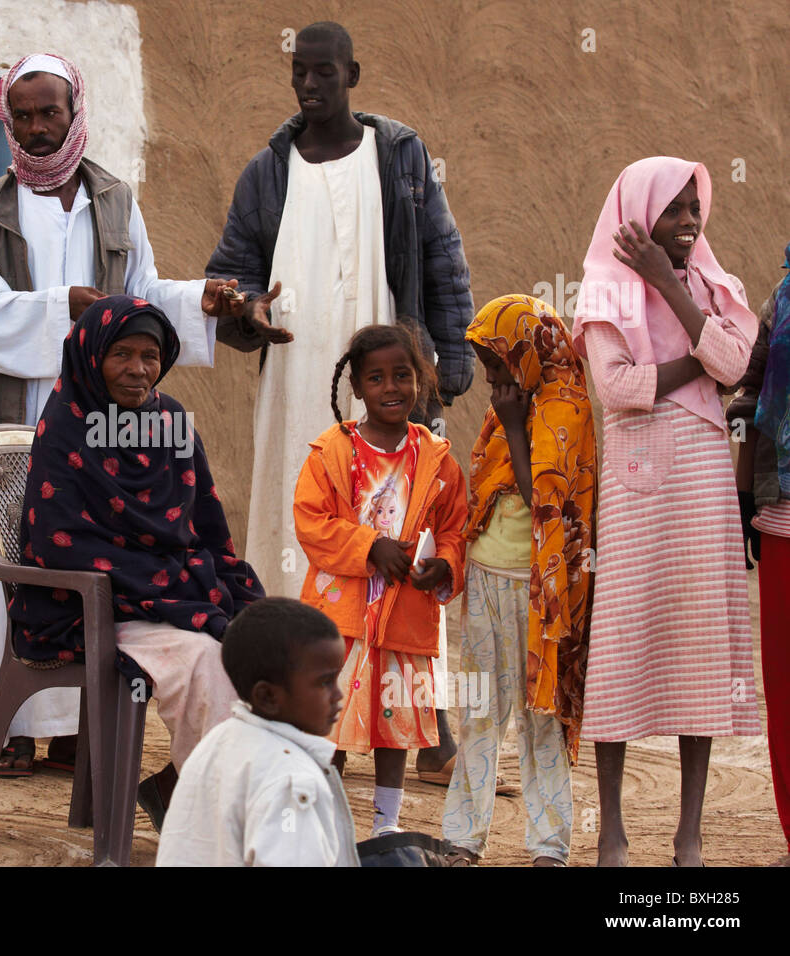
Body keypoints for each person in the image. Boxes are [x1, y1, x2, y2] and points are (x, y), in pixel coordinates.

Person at [0, 53, 246, 775]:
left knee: (98, 554)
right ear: (7, 121)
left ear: (76, 113)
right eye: (24, 115)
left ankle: (82, 725)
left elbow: (139, 293)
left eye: (52, 112)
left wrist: (197, 299)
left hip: (97, 417)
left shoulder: (115, 200)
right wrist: (65, 311)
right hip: (17, 401)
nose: (39, 127)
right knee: (17, 559)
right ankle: (12, 724)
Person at [205, 21, 472, 780]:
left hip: (387, 383)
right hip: (296, 387)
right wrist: (246, 313)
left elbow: (442, 259)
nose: (309, 85)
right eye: (299, 73)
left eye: (323, 72)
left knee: (406, 542)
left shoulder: (399, 155)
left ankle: (423, 730)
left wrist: (442, 372)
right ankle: (308, 721)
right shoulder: (267, 171)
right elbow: (231, 276)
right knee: (313, 543)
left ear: (353, 71)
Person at [9, 295, 263, 825]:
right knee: (205, 662)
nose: (138, 369)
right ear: (91, 354)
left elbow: (204, 522)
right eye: (121, 353)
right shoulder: (66, 425)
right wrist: (165, 585)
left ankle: (186, 794)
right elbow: (59, 543)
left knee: (275, 645)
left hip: (169, 593)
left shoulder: (169, 420)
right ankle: (214, 830)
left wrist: (201, 584)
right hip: (88, 608)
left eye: (150, 355)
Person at [571, 157, 760, 867]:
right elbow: (619, 389)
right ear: (639, 212)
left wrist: (671, 290)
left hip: (705, 481)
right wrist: (704, 360)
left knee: (699, 646)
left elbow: (737, 365)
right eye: (674, 208)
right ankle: (612, 831)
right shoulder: (602, 289)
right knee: (625, 641)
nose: (688, 221)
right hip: (638, 483)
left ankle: (689, 834)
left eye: (694, 207)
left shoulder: (717, 285)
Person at [440, 295, 597, 867]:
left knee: (541, 715)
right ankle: (461, 838)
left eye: (497, 363)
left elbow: (544, 504)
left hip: (543, 587)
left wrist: (514, 424)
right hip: (487, 576)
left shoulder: (565, 406)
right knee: (480, 708)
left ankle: (548, 847)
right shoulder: (510, 401)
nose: (490, 377)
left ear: (526, 353)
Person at [292, 324, 467, 835]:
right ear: (357, 387)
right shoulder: (333, 452)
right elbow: (312, 523)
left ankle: (385, 826)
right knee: (329, 722)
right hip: (340, 617)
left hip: (405, 616)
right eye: (376, 378)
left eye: (402, 375)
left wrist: (446, 566)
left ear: (421, 381)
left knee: (395, 726)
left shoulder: (438, 460)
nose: (390, 388)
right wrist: (369, 546)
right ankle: (321, 820)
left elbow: (455, 528)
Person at [156, 597, 358, 866]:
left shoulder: (217, 741)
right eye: (324, 682)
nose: (338, 694)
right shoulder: (291, 779)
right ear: (268, 696)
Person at [729, 243, 790, 864]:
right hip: (784, 520)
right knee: (787, 683)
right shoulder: (783, 301)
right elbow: (745, 399)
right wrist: (745, 498)